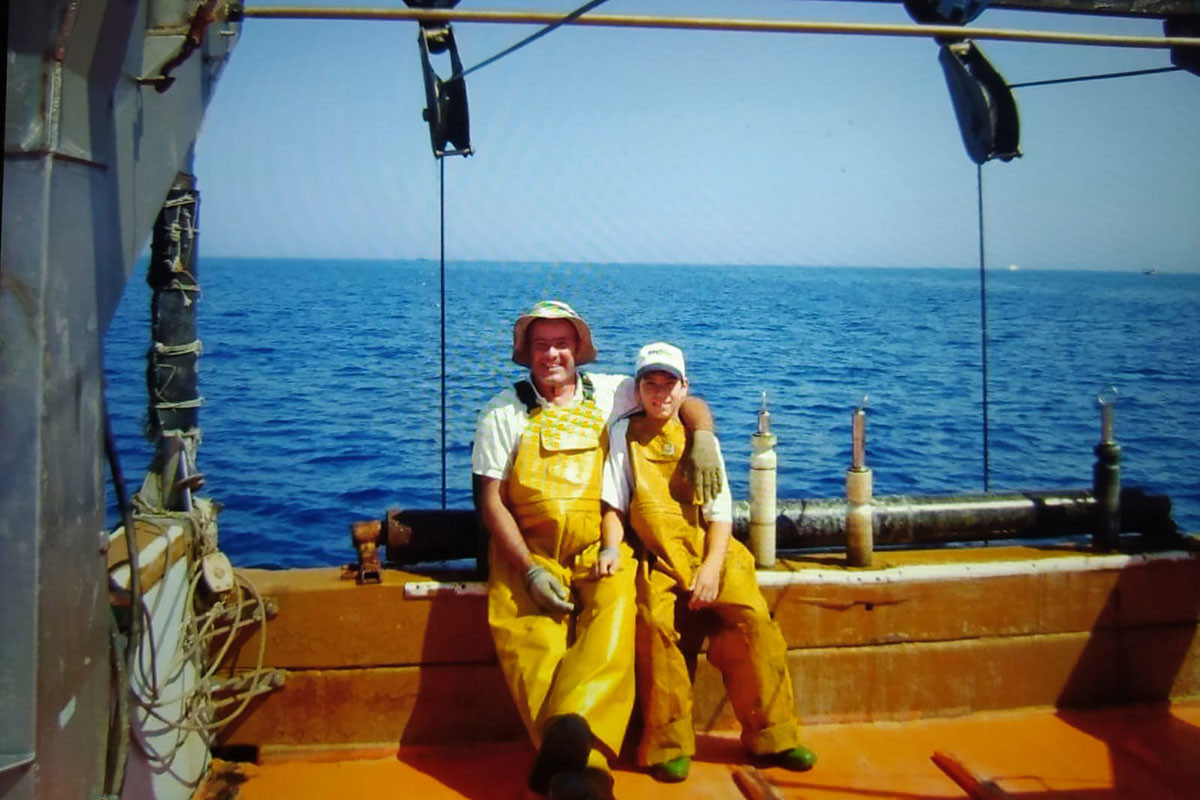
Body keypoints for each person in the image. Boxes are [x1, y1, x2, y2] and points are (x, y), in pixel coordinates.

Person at [471, 302, 723, 800]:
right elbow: (489, 502)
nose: (552, 354)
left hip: (599, 547)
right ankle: (583, 771)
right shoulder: (502, 411)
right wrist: (525, 570)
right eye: (540, 344)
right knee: (534, 646)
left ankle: (566, 758)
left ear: (578, 349)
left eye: (561, 343)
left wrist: (706, 438)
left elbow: (681, 397)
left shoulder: (610, 391)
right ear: (526, 353)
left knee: (612, 626)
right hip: (531, 551)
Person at [600, 341, 817, 783]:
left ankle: (774, 735)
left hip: (710, 548)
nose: (660, 394)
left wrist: (712, 569)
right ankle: (667, 744)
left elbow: (721, 515)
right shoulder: (622, 434)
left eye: (669, 384)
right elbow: (615, 506)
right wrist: (609, 546)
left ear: (684, 387)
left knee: (752, 619)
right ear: (637, 388)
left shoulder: (701, 440)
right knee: (655, 625)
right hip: (657, 555)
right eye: (650, 384)